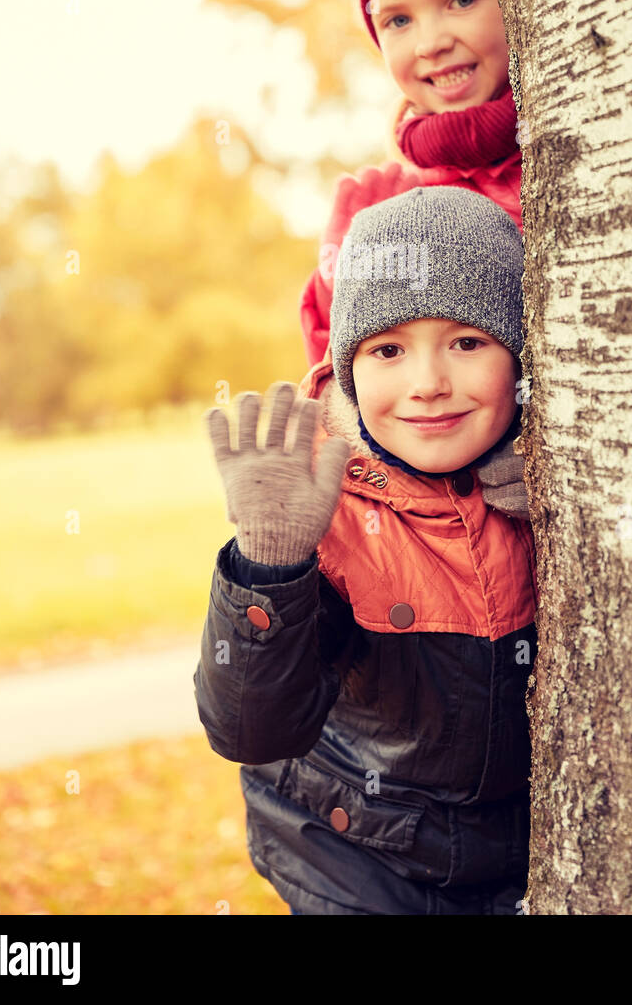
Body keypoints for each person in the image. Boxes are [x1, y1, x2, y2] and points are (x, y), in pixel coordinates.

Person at [194, 186, 538, 915]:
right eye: (387, 349)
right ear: (349, 369)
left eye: (468, 342)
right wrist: (270, 564)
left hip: (514, 856)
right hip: (351, 851)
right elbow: (250, 728)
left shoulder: (547, 494)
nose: (428, 384)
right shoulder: (329, 513)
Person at [300, 0, 525, 369]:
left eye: (461, 1)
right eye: (398, 21)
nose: (430, 42)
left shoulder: (578, 153)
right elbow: (342, 386)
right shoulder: (377, 206)